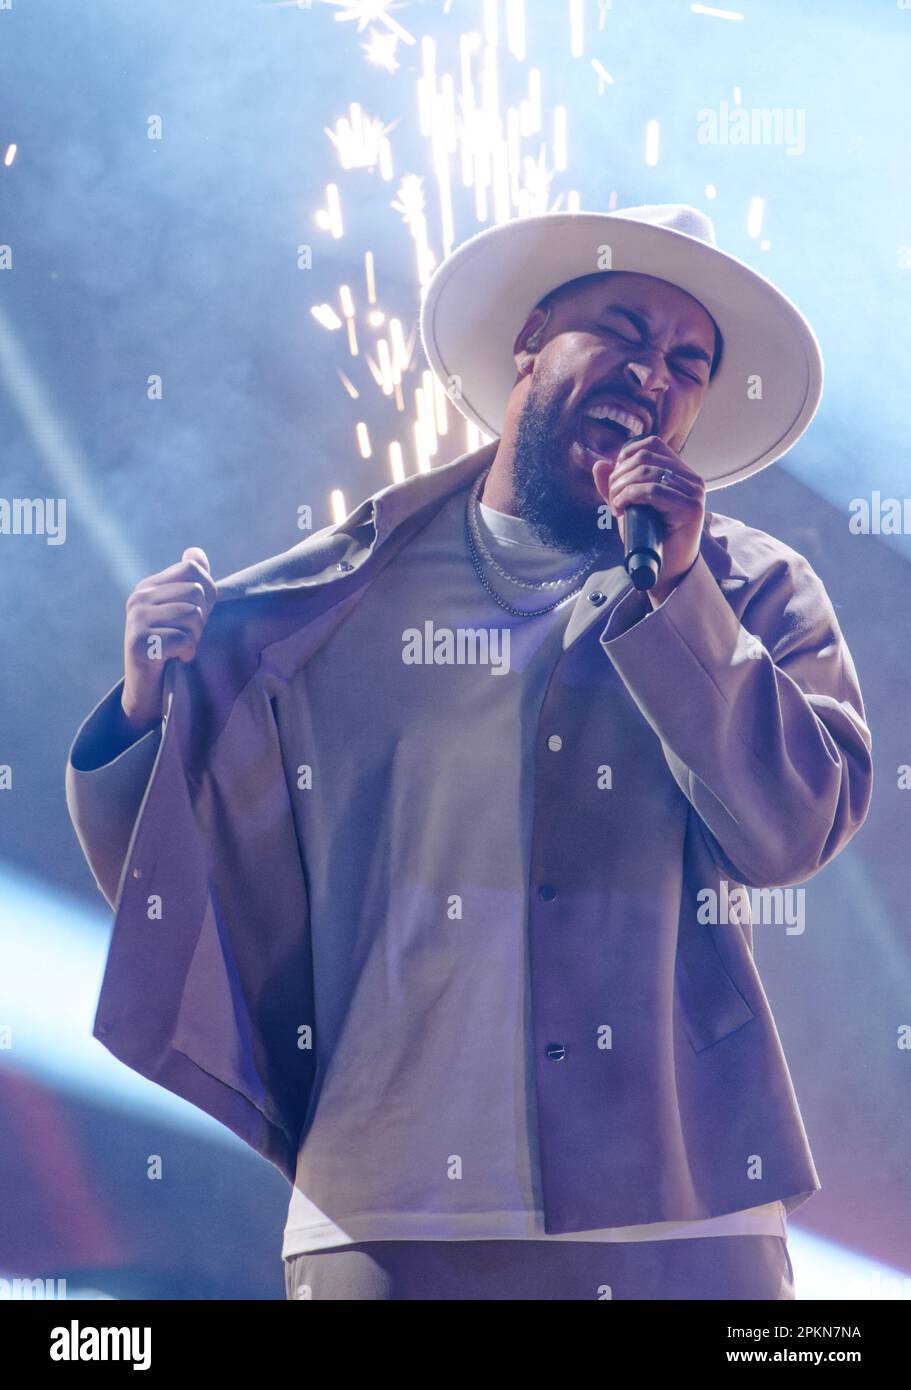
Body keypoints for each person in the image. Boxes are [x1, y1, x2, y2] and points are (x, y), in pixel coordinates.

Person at [66, 205, 873, 1300]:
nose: (652, 374)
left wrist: (679, 597)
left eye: (686, 362)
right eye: (623, 332)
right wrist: (147, 709)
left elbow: (788, 829)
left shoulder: (748, 588)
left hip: (680, 1213)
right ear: (531, 338)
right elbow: (185, 889)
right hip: (387, 1208)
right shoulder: (331, 603)